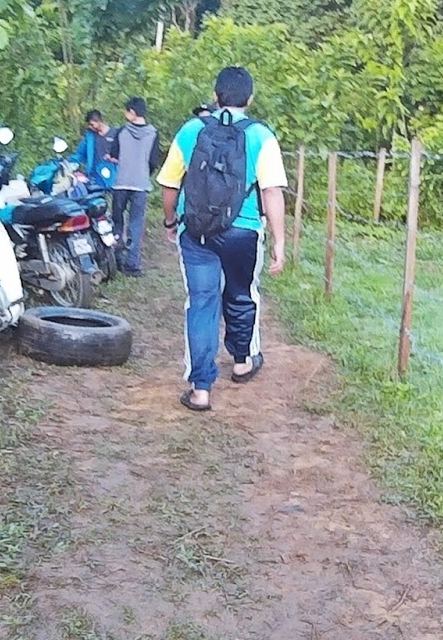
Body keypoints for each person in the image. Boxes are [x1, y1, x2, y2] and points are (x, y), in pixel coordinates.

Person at [157, 67, 287, 412]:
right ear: (250, 98)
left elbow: (170, 184)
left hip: (197, 231)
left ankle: (200, 389)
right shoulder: (262, 135)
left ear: (216, 96)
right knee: (242, 294)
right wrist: (279, 242)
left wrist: (171, 221)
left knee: (201, 302)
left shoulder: (191, 130)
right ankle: (242, 361)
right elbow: (272, 191)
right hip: (243, 231)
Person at [110, 97, 159, 276]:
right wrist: (145, 173)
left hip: (121, 183)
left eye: (126, 111)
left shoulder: (122, 131)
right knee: (136, 224)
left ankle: (115, 259)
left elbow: (113, 154)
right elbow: (154, 160)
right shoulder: (153, 133)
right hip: (141, 184)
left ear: (132, 112)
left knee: (117, 221)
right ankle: (132, 265)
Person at [74, 109, 117, 190]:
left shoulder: (115, 134)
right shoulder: (90, 137)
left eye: (92, 124)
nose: (90, 127)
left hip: (112, 176)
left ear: (98, 121)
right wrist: (71, 163)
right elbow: (80, 154)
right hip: (94, 176)